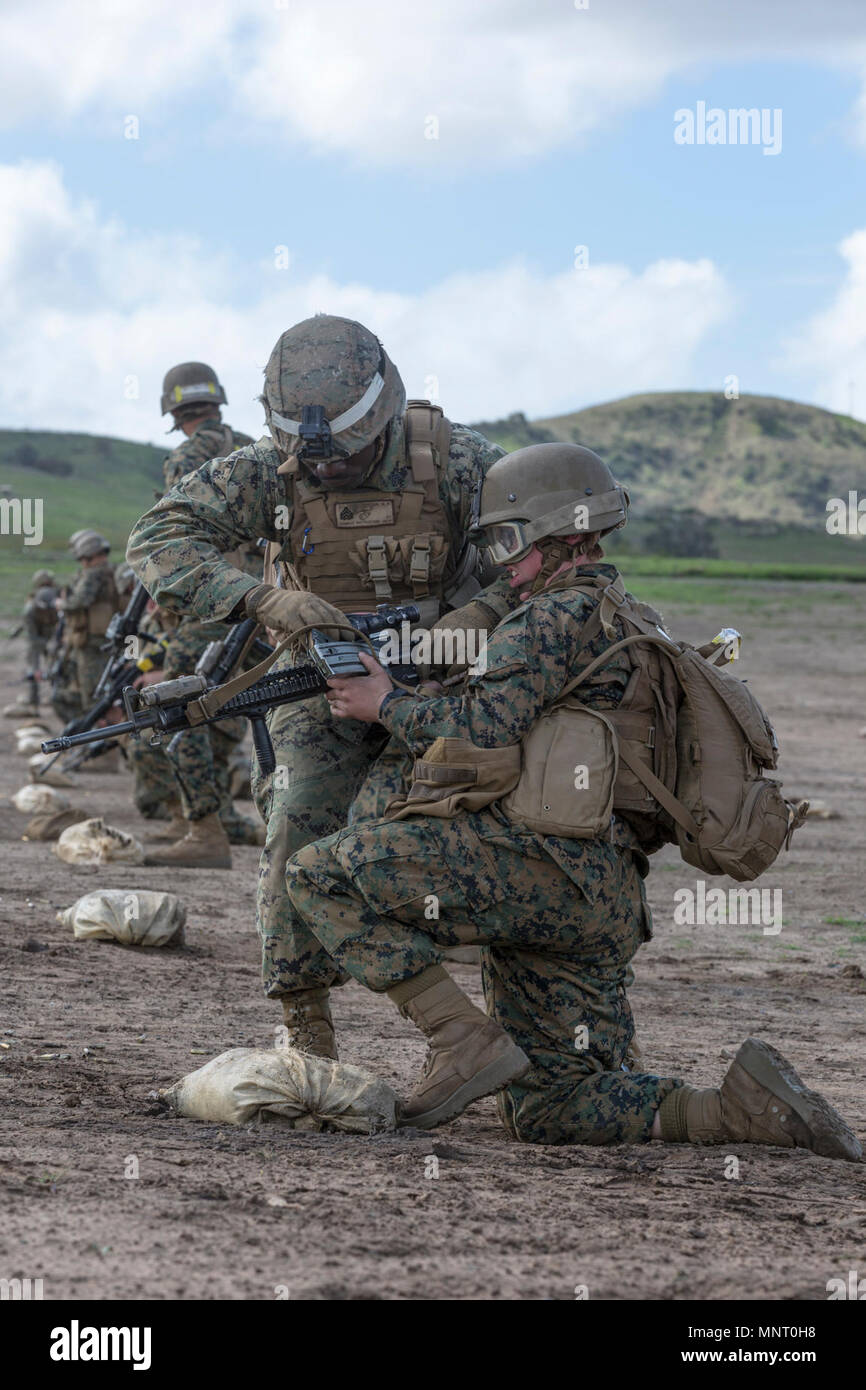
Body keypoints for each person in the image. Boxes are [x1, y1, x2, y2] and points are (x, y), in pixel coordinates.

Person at [281, 442, 861, 1160]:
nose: (501, 564)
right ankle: (738, 1112)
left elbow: (481, 728)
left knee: (316, 872)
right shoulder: (635, 621)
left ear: (561, 536)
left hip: (534, 866)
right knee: (554, 1106)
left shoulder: (552, 617)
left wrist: (386, 702)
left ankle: (458, 1039)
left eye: (507, 541)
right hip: (602, 898)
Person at [128, 314, 518, 1036]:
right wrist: (263, 598)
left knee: (519, 831)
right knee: (298, 822)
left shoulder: (462, 463)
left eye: (346, 453)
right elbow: (158, 538)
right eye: (316, 459)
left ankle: (521, 1024)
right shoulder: (264, 474)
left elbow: (552, 552)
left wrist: (485, 612)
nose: (329, 468)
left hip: (455, 686)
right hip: (323, 684)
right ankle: (306, 1028)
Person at [136, 362, 261, 866]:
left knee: (178, 707)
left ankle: (205, 833)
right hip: (261, 601)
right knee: (225, 707)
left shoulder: (187, 456)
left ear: (174, 410)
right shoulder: (253, 447)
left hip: (213, 600)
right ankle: (209, 819)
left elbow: (179, 535)